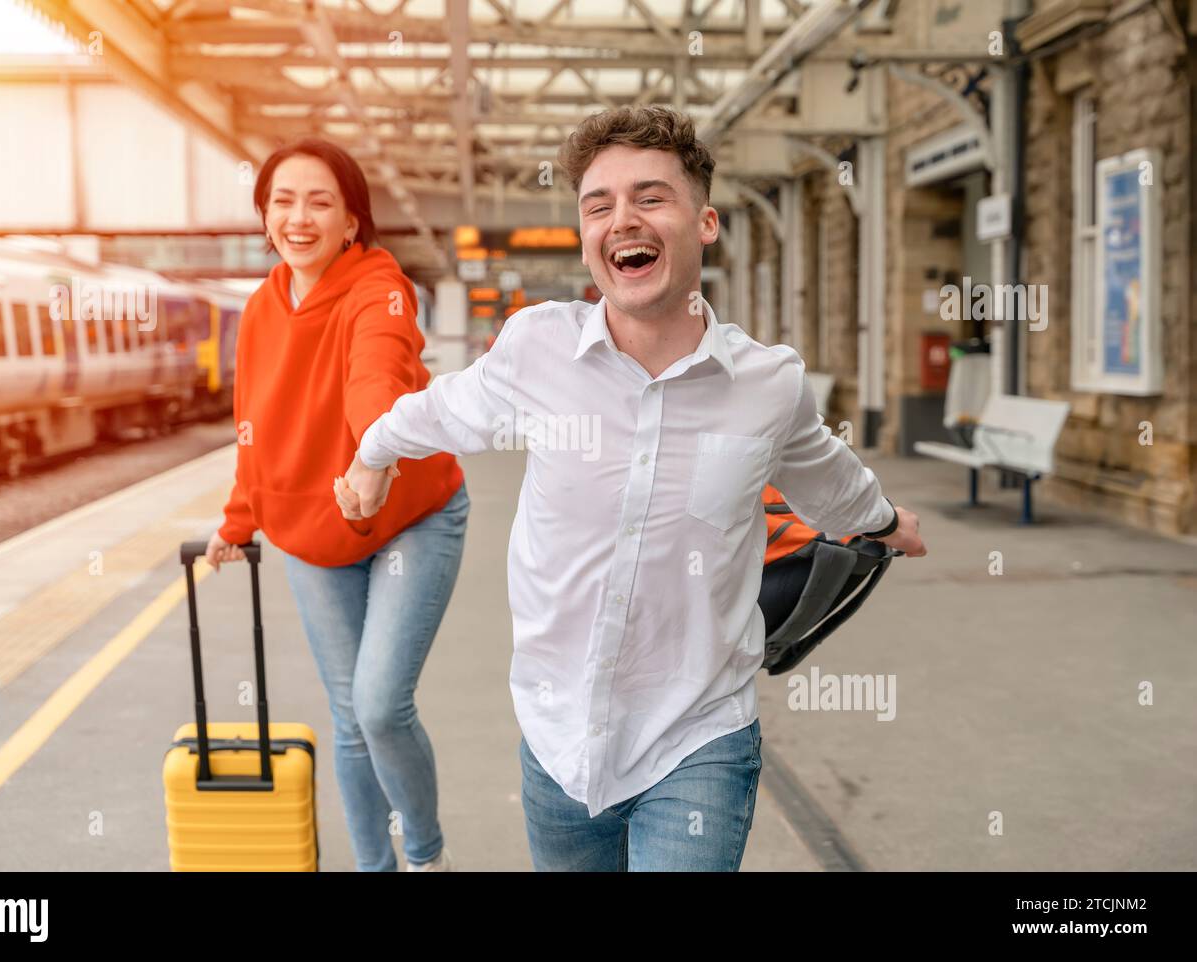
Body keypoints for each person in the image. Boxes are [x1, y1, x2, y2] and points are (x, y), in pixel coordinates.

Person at [336, 106, 926, 871]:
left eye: (651, 197)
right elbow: (437, 409)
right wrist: (372, 455)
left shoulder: (767, 384)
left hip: (699, 735)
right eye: (598, 204)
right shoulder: (536, 349)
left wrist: (884, 520)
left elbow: (828, 475)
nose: (622, 220)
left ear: (705, 221)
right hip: (558, 742)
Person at [205, 138, 468, 872]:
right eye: (282, 201)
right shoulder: (260, 310)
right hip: (315, 533)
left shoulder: (379, 287)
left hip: (409, 515)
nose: (299, 216)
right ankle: (372, 868)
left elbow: (374, 375)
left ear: (352, 223)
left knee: (381, 705)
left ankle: (423, 855)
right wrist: (238, 521)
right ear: (264, 218)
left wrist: (374, 455)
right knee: (351, 722)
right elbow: (253, 424)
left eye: (321, 201)